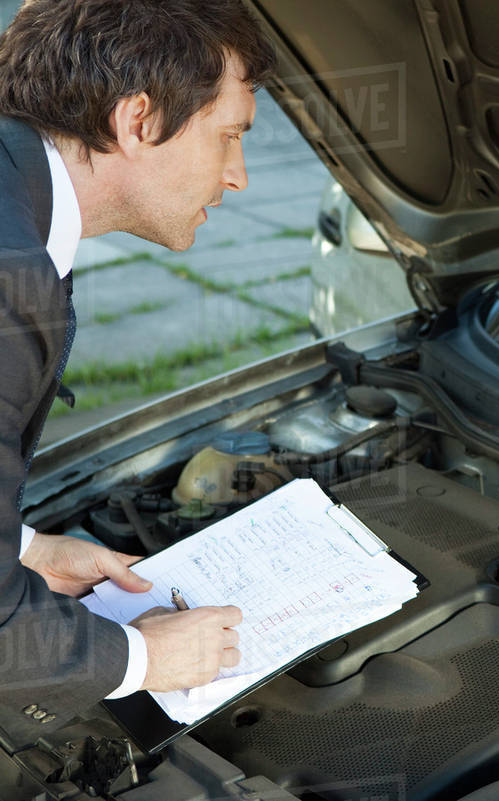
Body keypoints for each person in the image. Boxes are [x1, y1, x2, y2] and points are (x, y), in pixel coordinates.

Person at [0, 0, 276, 745]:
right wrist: (143, 655)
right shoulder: (7, 280)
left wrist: (20, 548)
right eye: (229, 137)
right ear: (139, 120)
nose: (239, 176)